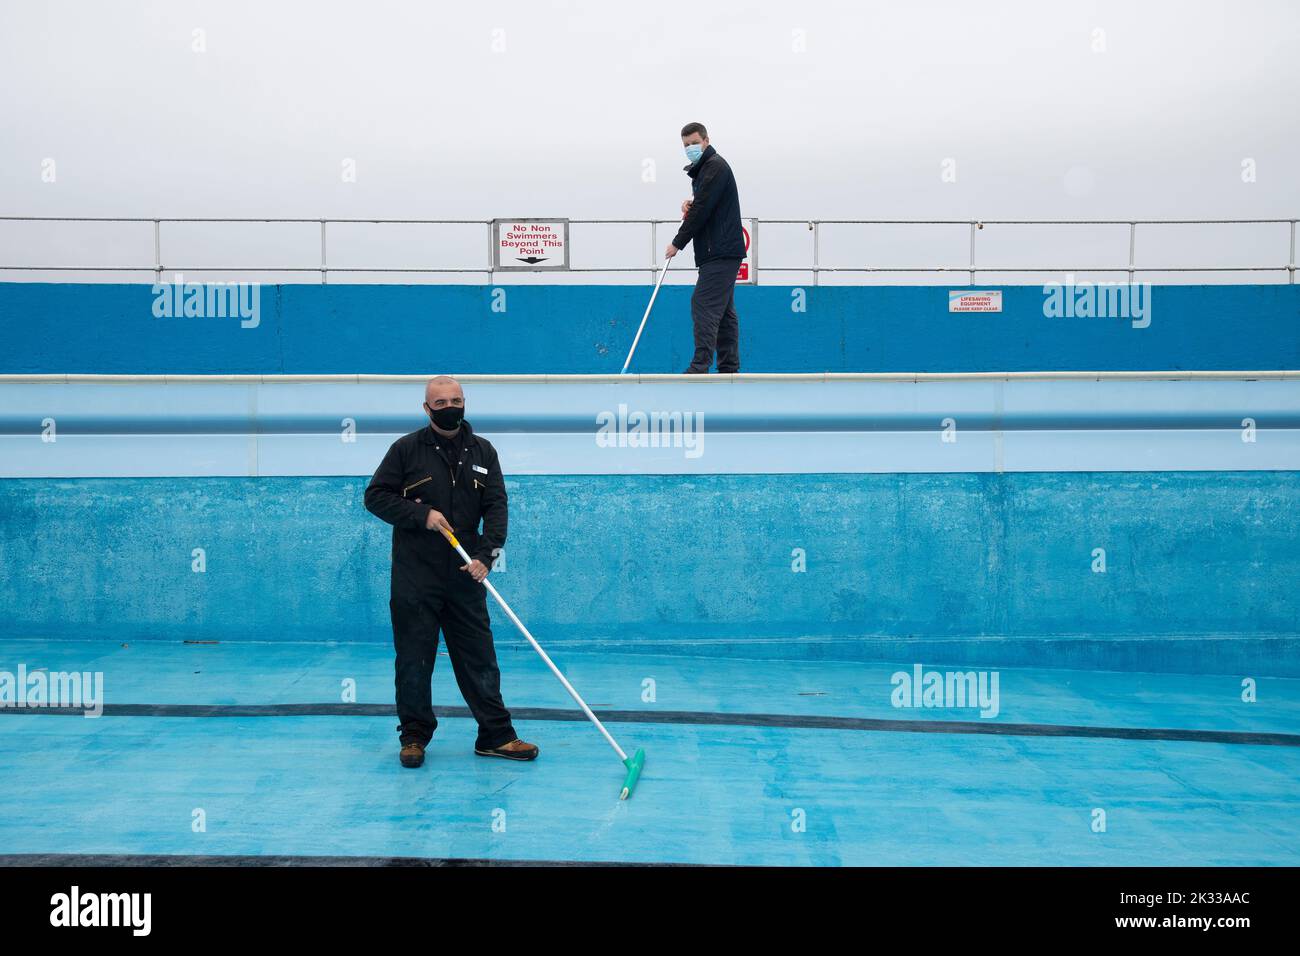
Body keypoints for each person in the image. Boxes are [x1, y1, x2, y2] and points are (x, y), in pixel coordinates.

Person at [364, 375, 538, 768]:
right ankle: (413, 737)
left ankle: (496, 736)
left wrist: (487, 556)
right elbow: (375, 497)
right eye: (439, 403)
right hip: (415, 576)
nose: (449, 408)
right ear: (426, 409)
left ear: (465, 402)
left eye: (455, 400)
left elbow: (496, 507)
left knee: (479, 657)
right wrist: (420, 514)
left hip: (465, 572)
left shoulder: (483, 451)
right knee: (414, 658)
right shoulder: (406, 450)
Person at [664, 121, 747, 374]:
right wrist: (691, 202)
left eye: (694, 143)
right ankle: (729, 368)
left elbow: (702, 211)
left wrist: (677, 243)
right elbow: (705, 204)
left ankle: (699, 366)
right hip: (719, 251)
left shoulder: (714, 167)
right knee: (724, 312)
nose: (691, 148)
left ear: (706, 141)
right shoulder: (705, 170)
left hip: (720, 251)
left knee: (703, 304)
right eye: (686, 145)